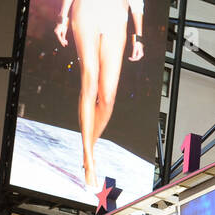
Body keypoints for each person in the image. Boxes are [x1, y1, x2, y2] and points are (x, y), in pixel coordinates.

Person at [54, 0, 146, 190]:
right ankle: (89, 163)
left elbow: (138, 3)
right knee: (90, 84)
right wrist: (62, 17)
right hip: (87, 10)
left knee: (107, 99)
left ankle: (87, 151)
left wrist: (138, 37)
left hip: (117, 18)